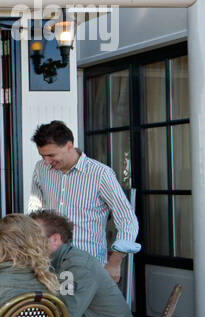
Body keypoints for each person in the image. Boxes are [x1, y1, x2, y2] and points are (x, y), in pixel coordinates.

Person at [28, 121, 139, 282]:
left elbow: (128, 221)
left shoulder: (101, 174)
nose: (46, 161)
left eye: (51, 155)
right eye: (42, 156)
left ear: (69, 145)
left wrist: (115, 262)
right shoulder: (41, 169)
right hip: (49, 267)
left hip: (88, 268)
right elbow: (34, 213)